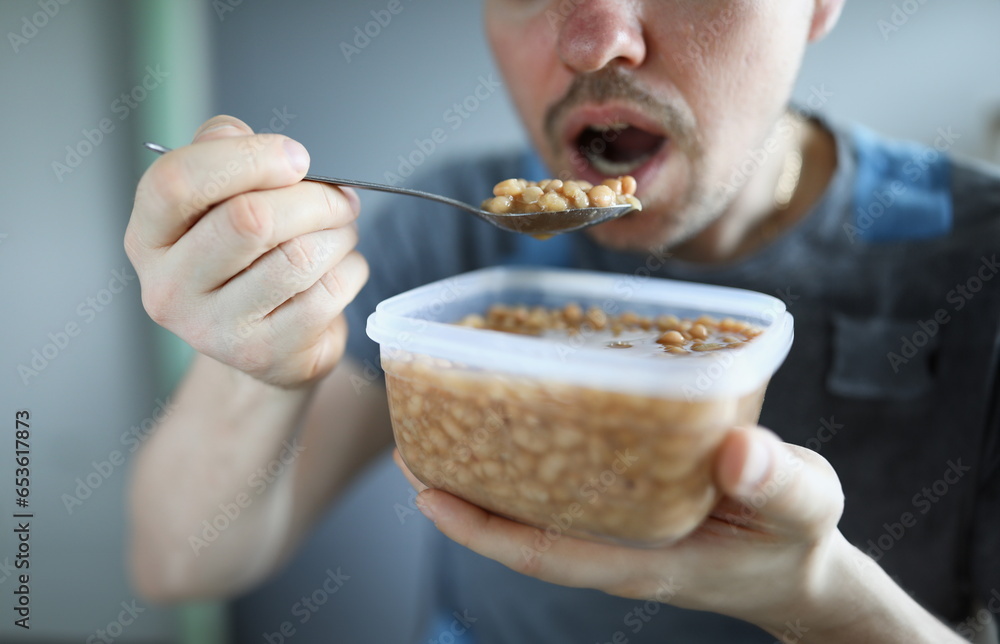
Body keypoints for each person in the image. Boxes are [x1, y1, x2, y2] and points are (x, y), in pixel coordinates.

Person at [124, 1, 1000, 642]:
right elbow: (179, 561)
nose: (592, 39)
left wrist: (821, 597)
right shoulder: (446, 234)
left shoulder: (976, 264)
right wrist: (257, 354)